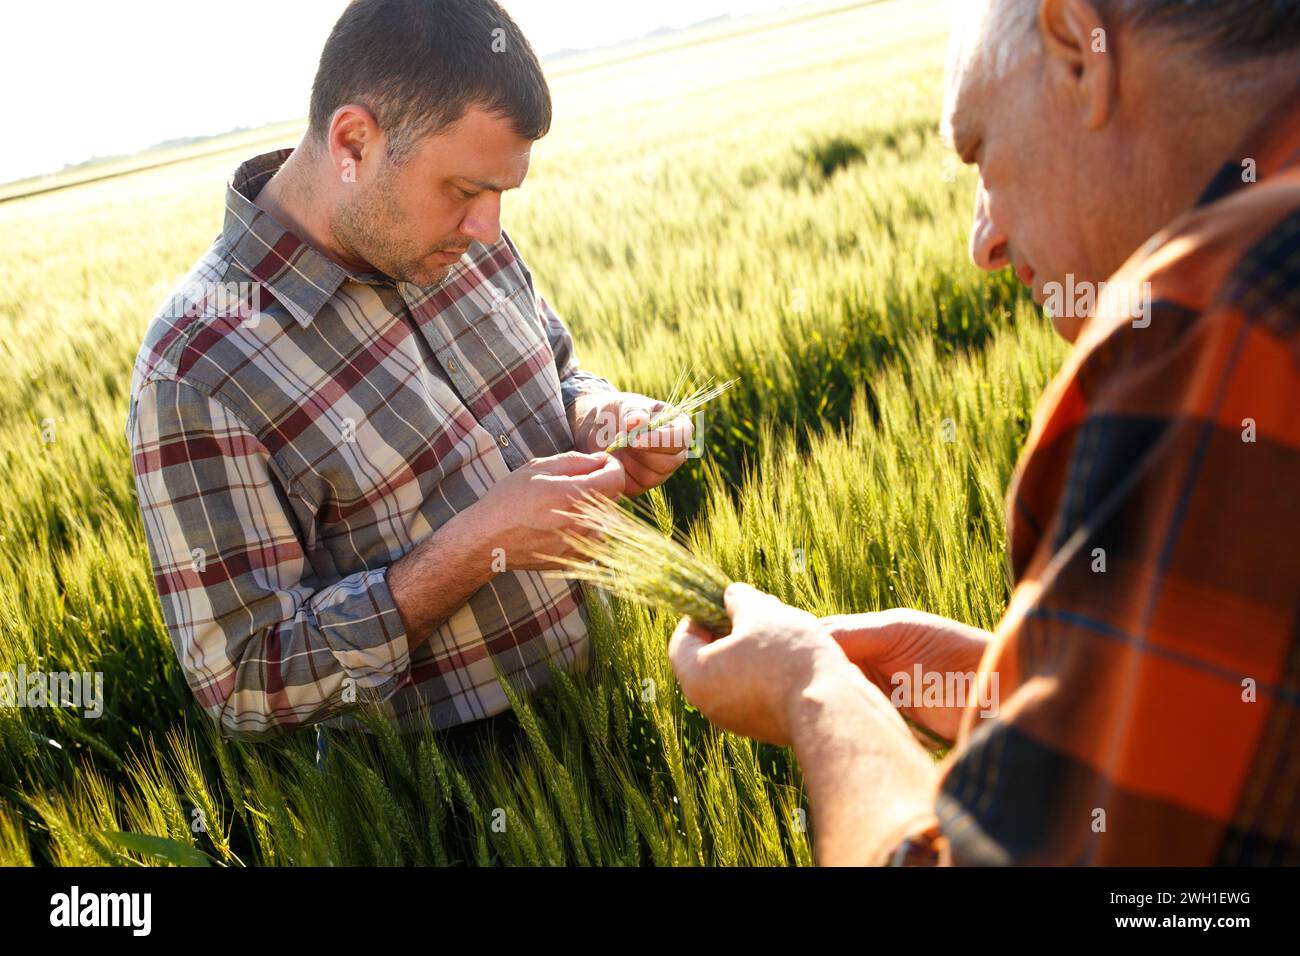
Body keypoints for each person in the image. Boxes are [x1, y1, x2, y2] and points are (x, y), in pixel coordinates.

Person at [669, 0, 1300, 865]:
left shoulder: (1230, 324)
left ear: (1080, 49)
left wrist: (810, 692)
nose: (984, 241)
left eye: (980, 153)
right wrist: (996, 681)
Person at [125, 0, 692, 742]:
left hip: (620, 698)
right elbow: (243, 684)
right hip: (453, 792)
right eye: (463, 191)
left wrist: (602, 413)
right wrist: (469, 549)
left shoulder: (458, 239)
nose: (489, 227)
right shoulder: (197, 369)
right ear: (354, 141)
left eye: (500, 195)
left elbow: (557, 376)